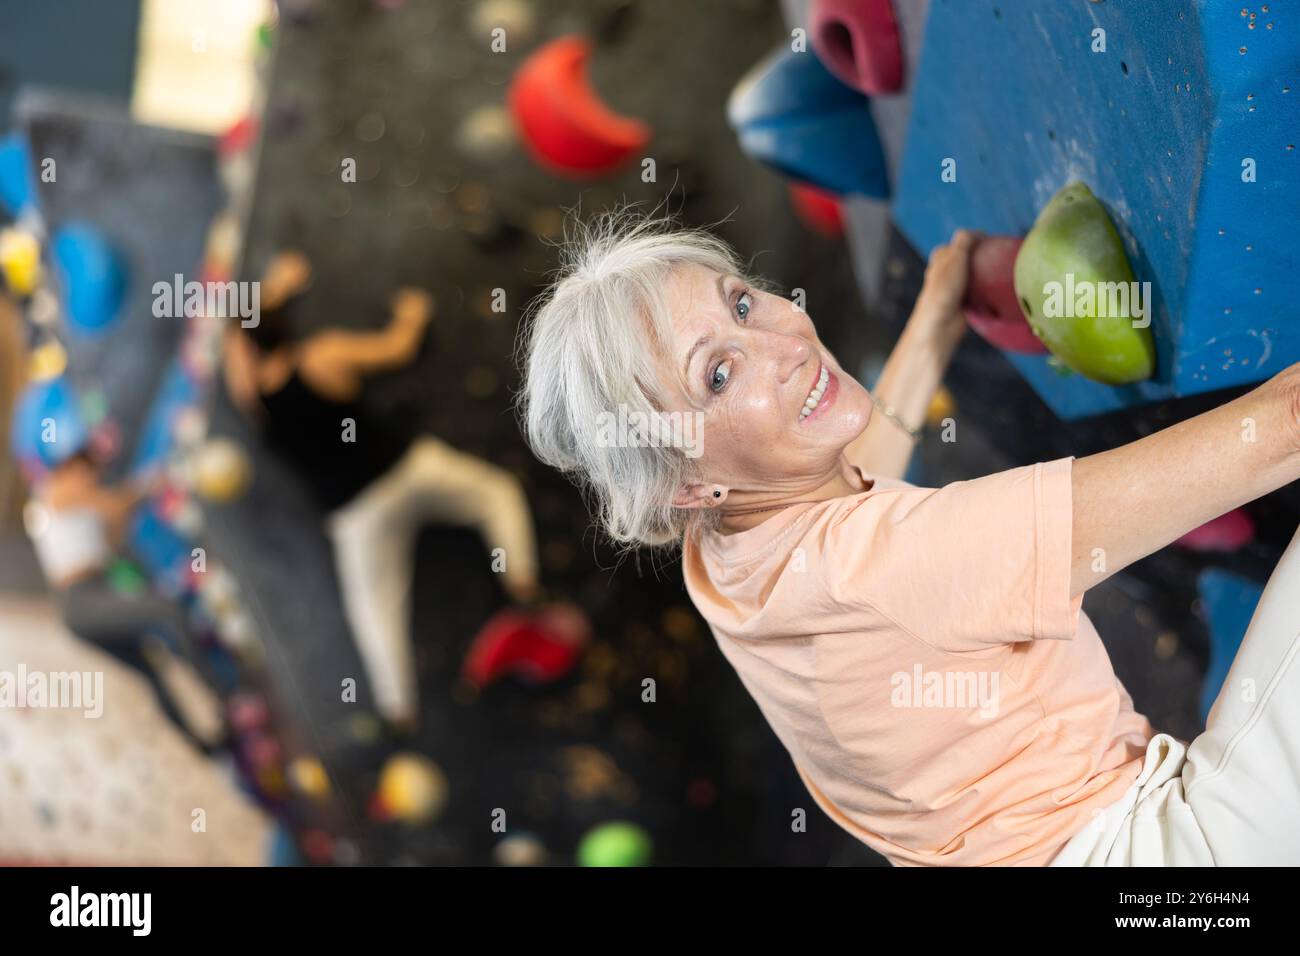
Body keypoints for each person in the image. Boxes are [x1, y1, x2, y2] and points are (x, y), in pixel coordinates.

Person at [518, 208, 1300, 866]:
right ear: (688, 483)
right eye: (719, 374)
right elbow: (1280, 431)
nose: (787, 345)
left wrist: (934, 320)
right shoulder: (899, 560)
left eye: (743, 304)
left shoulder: (724, 552)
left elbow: (854, 468)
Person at [223, 251, 544, 728]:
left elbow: (235, 338)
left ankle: (399, 709)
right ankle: (521, 578)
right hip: (404, 470)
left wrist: (273, 290)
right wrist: (412, 314)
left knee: (374, 613)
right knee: (497, 493)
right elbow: (399, 347)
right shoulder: (322, 355)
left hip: (357, 516)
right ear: (284, 330)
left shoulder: (252, 401)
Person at [24, 449, 224, 748]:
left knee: (150, 668)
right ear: (73, 468)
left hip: (90, 599)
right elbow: (113, 504)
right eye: (90, 473)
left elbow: (115, 525)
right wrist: (146, 486)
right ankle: (224, 693)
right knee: (167, 612)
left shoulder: (79, 507)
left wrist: (138, 496)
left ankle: (201, 743)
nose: (94, 480)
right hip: (82, 602)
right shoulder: (57, 490)